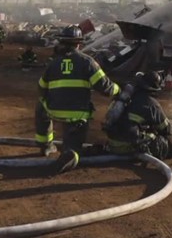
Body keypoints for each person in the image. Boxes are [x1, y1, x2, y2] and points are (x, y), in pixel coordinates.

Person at [35, 24, 121, 174]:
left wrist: (52, 100)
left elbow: (41, 87)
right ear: (79, 43)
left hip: (53, 110)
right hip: (77, 115)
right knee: (73, 149)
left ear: (61, 42)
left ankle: (46, 145)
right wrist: (119, 90)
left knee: (40, 106)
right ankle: (71, 154)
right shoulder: (87, 62)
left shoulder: (53, 63)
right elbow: (105, 87)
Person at [102, 70, 172, 159]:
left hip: (112, 145)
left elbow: (127, 123)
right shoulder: (151, 104)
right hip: (132, 148)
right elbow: (167, 131)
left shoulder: (124, 97)